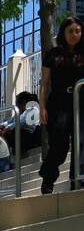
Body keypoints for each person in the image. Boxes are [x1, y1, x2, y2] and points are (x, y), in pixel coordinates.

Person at [39, 15, 84, 195]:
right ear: (63, 33)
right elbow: (45, 83)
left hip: (81, 102)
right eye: (70, 31)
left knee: (81, 143)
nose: (74, 35)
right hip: (59, 103)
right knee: (60, 145)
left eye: (78, 31)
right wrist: (41, 106)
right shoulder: (53, 54)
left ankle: (77, 180)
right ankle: (48, 178)